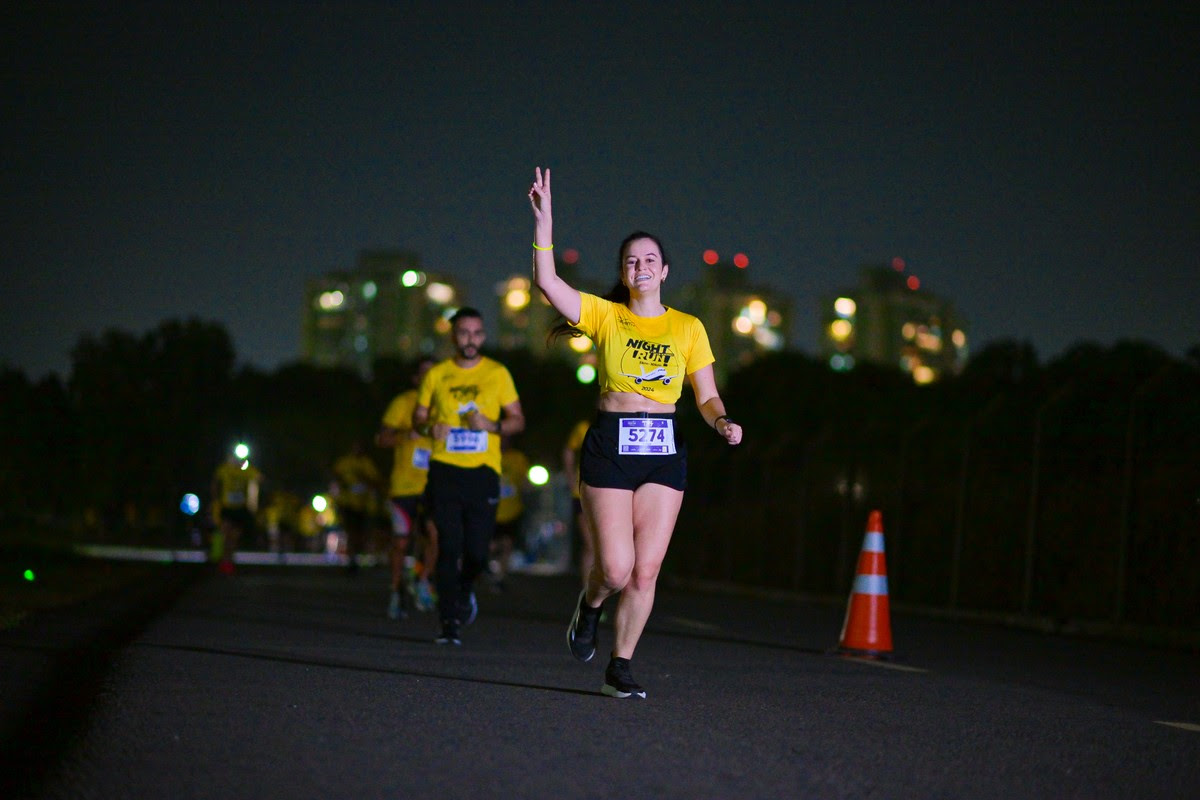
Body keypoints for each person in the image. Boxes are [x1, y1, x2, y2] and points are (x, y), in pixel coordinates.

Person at [529, 167, 743, 698]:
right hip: (611, 445)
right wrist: (544, 221)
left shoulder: (689, 327)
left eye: (649, 259)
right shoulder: (606, 316)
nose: (640, 267)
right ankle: (591, 605)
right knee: (615, 569)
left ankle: (620, 667)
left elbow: (706, 394)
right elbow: (548, 283)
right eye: (631, 261)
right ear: (623, 273)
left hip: (664, 449)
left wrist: (721, 421)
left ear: (664, 270)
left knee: (646, 571)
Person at [413, 307, 525, 645]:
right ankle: (448, 620)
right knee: (448, 547)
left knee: (477, 552)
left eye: (476, 333)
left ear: (484, 336)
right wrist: (431, 427)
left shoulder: (497, 373)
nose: (470, 340)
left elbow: (517, 420)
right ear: (453, 337)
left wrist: (491, 425)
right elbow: (418, 418)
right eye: (464, 333)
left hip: (483, 473)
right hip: (445, 470)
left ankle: (464, 589)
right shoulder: (438, 374)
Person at [377, 356, 438, 619]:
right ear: (416, 379)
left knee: (436, 536)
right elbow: (382, 438)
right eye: (424, 372)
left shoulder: (446, 404)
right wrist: (405, 435)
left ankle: (422, 580)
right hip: (404, 487)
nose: (429, 377)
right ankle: (395, 590)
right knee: (401, 542)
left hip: (435, 485)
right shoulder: (403, 402)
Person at [331, 439, 384, 575]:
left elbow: (376, 481)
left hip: (363, 505)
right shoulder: (344, 462)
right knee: (350, 531)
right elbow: (336, 477)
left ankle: (358, 556)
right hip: (347, 503)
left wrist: (364, 479)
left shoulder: (367, 463)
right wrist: (343, 485)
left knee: (360, 533)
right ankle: (351, 559)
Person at [210, 447, 263, 575]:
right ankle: (222, 560)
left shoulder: (246, 471)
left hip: (240, 509)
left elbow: (259, 478)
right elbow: (215, 483)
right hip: (227, 507)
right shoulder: (224, 469)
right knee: (225, 534)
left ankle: (229, 561)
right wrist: (215, 500)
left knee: (234, 537)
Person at [490, 435, 530, 591]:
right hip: (492, 511)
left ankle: (500, 578)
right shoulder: (489, 455)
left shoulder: (518, 458)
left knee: (507, 545)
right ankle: (483, 570)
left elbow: (525, 481)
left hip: (512, 511)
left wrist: (528, 486)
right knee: (490, 545)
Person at [562, 419, 592, 584]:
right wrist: (570, 477)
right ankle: (588, 591)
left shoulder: (622, 425)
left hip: (613, 494)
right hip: (583, 492)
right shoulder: (584, 428)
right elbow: (568, 449)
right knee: (590, 544)